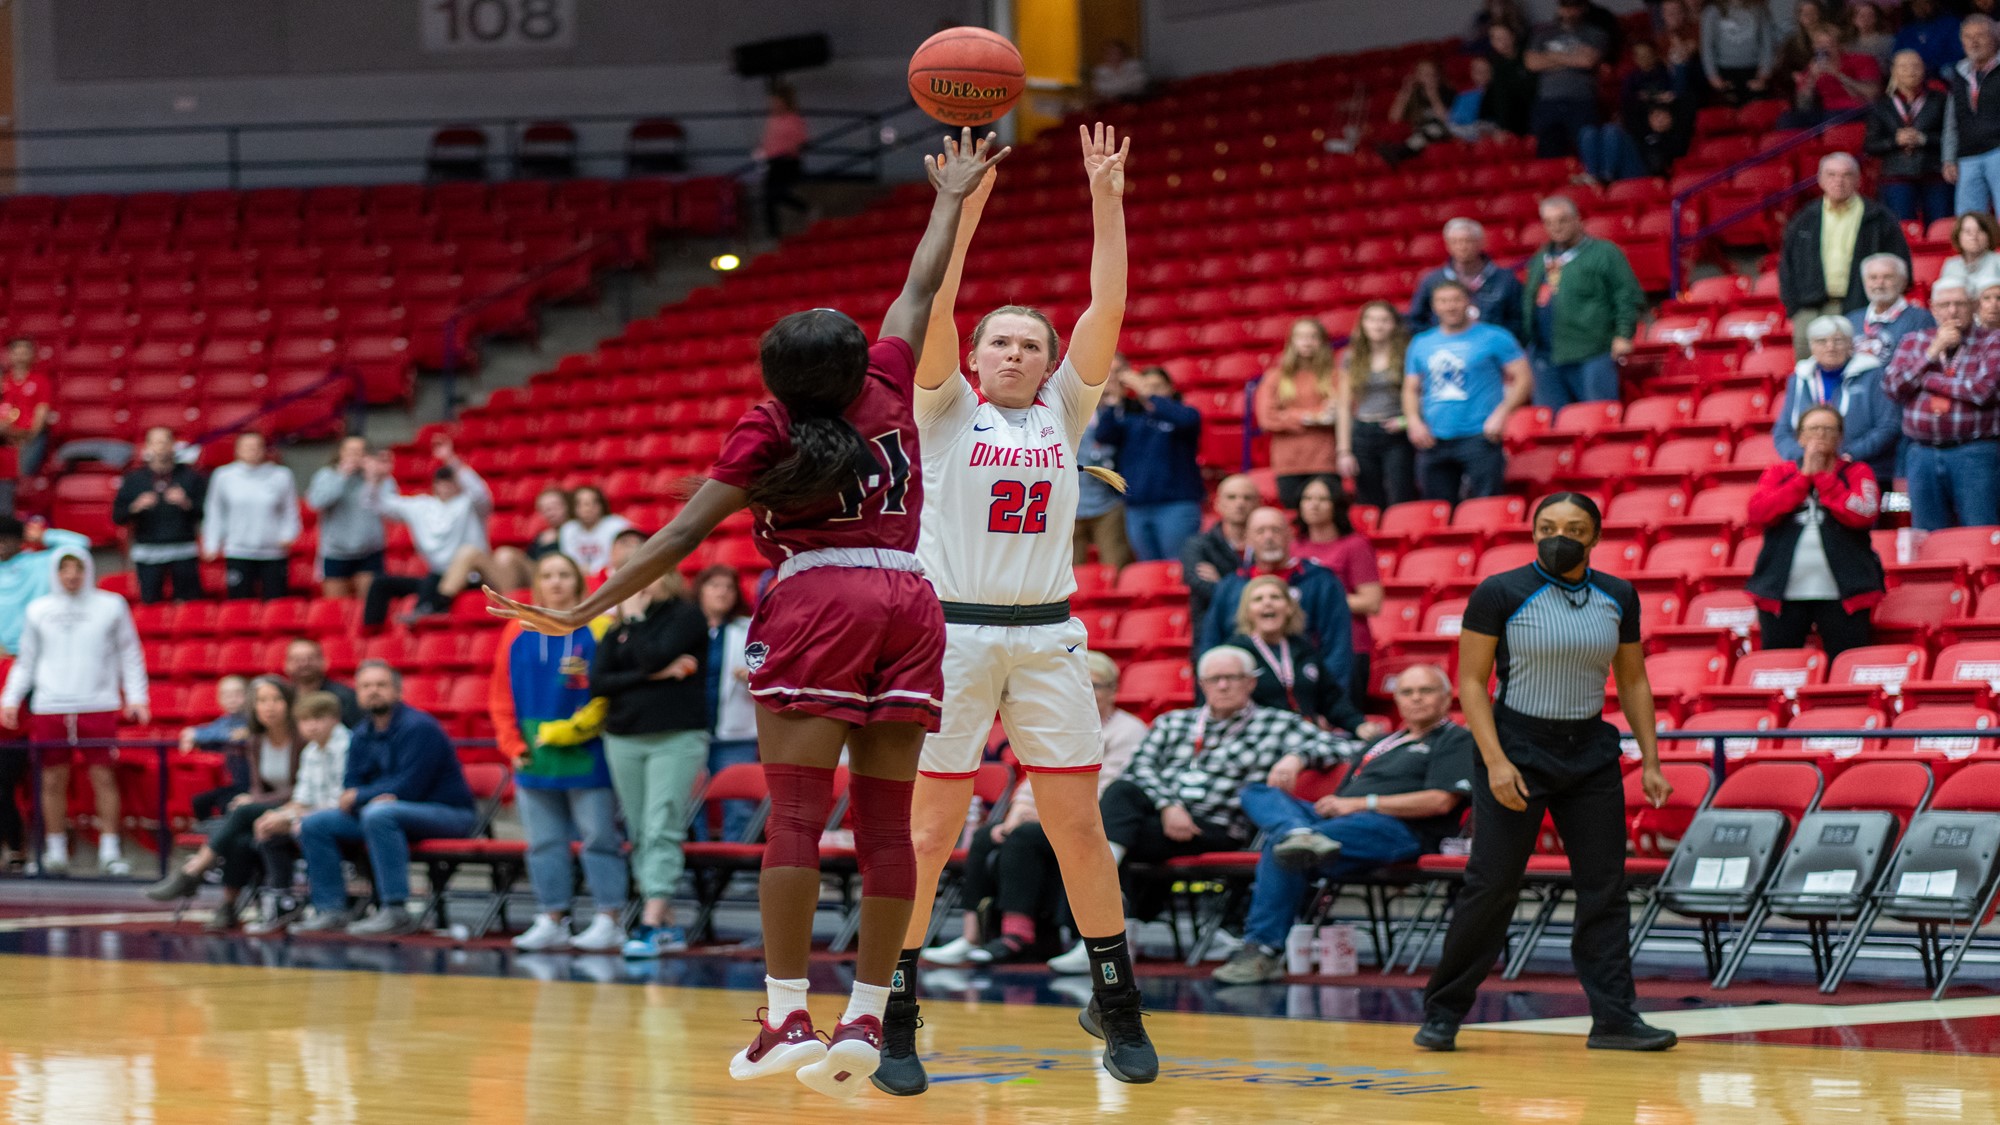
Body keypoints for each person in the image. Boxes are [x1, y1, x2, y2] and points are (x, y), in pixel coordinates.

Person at [486, 129, 1006, 1099]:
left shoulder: (766, 428)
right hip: (909, 598)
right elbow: (917, 289)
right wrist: (949, 198)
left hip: (818, 598)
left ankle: (784, 1017)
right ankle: (866, 1010)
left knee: (798, 819)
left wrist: (584, 609)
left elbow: (678, 536)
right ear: (857, 366)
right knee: (886, 825)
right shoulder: (888, 383)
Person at [881, 122, 1155, 1095]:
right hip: (947, 634)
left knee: (1075, 826)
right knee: (927, 834)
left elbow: (1106, 304)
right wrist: (964, 202)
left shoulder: (1063, 411)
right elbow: (935, 304)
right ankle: (895, 1007)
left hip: (1045, 638)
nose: (1010, 349)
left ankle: (1113, 994)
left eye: (1027, 342)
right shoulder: (942, 406)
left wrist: (1105, 199)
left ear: (1047, 363)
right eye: (999, 339)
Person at [1415, 494, 1676, 1055]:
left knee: (1604, 890)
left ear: (1596, 537)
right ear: (1533, 532)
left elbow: (1632, 681)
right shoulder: (1499, 592)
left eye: (1576, 528)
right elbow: (1471, 685)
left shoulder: (1618, 596)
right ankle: (1443, 1013)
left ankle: (1614, 1020)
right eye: (1549, 526)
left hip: (1590, 753)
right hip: (1516, 749)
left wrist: (1651, 760)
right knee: (1493, 885)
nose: (1561, 536)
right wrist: (1496, 761)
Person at [1213, 663, 1476, 985]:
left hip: (1398, 828)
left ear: (1447, 697)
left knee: (1282, 846)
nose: (1416, 698)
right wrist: (1300, 763)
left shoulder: (1456, 740)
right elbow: (1325, 747)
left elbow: (1440, 801)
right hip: (1336, 823)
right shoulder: (1381, 742)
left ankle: (1262, 949)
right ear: (1397, 700)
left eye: (1426, 690)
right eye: (1407, 692)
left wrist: (1360, 803)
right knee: (1257, 791)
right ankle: (1297, 832)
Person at [921, 651, 1148, 967]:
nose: (1086, 692)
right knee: (989, 835)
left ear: (1112, 690)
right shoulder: (1063, 726)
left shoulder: (1129, 730)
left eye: (1095, 686)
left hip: (1090, 820)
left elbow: (1107, 788)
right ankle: (971, 935)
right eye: (1080, 685)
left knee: (1025, 836)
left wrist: (1039, 815)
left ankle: (1018, 933)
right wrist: (1016, 813)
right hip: (1050, 813)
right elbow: (1033, 778)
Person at [492, 553, 629, 955]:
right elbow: (500, 695)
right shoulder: (515, 631)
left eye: (564, 575)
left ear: (579, 583)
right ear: (536, 585)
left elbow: (607, 695)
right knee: (543, 842)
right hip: (533, 755)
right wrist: (512, 745)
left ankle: (610, 919)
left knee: (599, 838)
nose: (555, 582)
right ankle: (552, 917)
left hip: (589, 753)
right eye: (547, 575)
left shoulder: (599, 629)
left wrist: (575, 730)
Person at [1100, 646, 1344, 869]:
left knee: (1100, 836)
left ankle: (1098, 892)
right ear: (1202, 685)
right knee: (1119, 794)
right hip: (1163, 815)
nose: (1223, 686)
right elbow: (1138, 767)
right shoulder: (1173, 722)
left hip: (1216, 826)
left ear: (1251, 682)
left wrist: (1297, 758)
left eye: (1233, 678)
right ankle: (1098, 894)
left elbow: (1342, 747)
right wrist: (1168, 805)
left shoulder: (1278, 723)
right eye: (1215, 679)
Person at [574, 561, 708, 959]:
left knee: (661, 821)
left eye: (647, 574)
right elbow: (599, 683)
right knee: (638, 827)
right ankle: (665, 922)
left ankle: (650, 919)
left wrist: (632, 621)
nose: (640, 585)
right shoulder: (614, 629)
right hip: (623, 736)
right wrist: (657, 675)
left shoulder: (685, 616)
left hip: (676, 734)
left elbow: (651, 655)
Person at [291, 660, 477, 937]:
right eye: (366, 686)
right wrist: (367, 796)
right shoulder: (361, 734)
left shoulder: (420, 728)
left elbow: (410, 788)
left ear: (397, 692)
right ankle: (330, 909)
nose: (373, 691)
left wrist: (364, 796)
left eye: (381, 685)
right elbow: (350, 785)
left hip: (446, 813)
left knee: (379, 814)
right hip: (385, 815)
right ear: (358, 694)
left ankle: (395, 910)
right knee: (315, 823)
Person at [0, 545, 148, 876]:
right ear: (56, 572)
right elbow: (27, 660)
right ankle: (55, 852)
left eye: (77, 568)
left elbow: (130, 653)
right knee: (51, 780)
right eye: (65, 568)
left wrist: (138, 697)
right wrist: (9, 699)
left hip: (98, 703)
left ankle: (110, 851)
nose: (71, 575)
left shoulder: (111, 605)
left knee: (103, 777)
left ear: (87, 569)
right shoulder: (38, 609)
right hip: (50, 705)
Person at [142, 676, 299, 931]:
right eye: (262, 701)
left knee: (243, 810)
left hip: (297, 808)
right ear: (254, 708)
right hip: (267, 811)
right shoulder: (257, 740)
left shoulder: (300, 737)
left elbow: (299, 790)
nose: (269, 707)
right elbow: (258, 786)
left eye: (276, 700)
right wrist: (256, 798)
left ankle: (193, 870)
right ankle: (228, 906)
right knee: (239, 838)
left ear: (289, 704)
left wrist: (256, 800)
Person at [1747, 405, 1886, 660]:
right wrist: (1803, 479)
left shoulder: (1857, 472)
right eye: (1813, 429)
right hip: (1783, 594)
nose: (1820, 435)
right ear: (1800, 437)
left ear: (1840, 437)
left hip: (1845, 594)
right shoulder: (1778, 473)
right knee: (1778, 667)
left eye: (1828, 429)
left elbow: (1864, 514)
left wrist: (1823, 478)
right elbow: (1758, 513)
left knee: (1848, 667)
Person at [1884, 277, 2000, 531]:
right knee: (1926, 536)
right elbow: (1893, 387)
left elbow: (1983, 390)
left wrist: (1927, 379)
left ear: (1973, 305)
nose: (1952, 311)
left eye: (1959, 303)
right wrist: (1932, 352)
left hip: (1975, 451)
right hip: (1922, 453)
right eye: (1944, 304)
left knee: (1980, 530)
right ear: (1932, 309)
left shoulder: (1992, 340)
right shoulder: (1914, 341)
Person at [1199, 507, 1355, 694]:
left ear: (1290, 535)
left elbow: (1338, 647)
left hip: (1304, 693)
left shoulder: (1321, 581)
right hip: (1241, 699)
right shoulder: (1230, 586)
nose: (1268, 537)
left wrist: (1330, 701)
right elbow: (1211, 644)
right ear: (1247, 539)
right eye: (1260, 531)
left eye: (1276, 530)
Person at [1405, 282, 1534, 502]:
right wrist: (1414, 422)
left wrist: (1502, 413)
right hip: (1434, 439)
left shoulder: (1495, 336)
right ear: (1434, 306)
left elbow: (1524, 378)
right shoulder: (1420, 343)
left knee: (1486, 506)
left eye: (1455, 299)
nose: (1450, 306)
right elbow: (1410, 388)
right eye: (1443, 301)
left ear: (1468, 302)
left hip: (1480, 436)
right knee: (1437, 511)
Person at [1777, 153, 1911, 360]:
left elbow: (1900, 266)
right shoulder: (1803, 219)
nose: (1838, 181)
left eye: (1847, 175)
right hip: (1809, 311)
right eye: (1831, 175)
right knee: (1809, 372)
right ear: (1820, 179)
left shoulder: (1879, 218)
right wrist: (1795, 309)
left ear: (1858, 180)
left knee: (1860, 369)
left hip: (1861, 308)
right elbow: (1786, 267)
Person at [241, 690, 350, 935]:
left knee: (310, 826)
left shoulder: (347, 747)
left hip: (346, 817)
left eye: (318, 718)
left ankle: (329, 907)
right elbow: (301, 800)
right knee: (269, 829)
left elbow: (339, 801)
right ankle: (284, 904)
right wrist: (278, 816)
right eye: (305, 720)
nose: (311, 726)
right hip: (316, 817)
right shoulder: (311, 752)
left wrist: (292, 817)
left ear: (335, 719)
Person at [1521, 196, 1644, 409]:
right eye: (1549, 222)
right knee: (1551, 424)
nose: (1556, 227)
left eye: (1562, 220)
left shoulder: (1605, 252)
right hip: (1545, 354)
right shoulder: (1541, 257)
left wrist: (1623, 334)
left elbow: (1627, 294)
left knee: (1597, 416)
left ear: (1578, 219)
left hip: (1592, 351)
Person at [360, 435, 496, 626]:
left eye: (451, 480)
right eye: (441, 481)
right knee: (381, 583)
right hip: (436, 576)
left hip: (473, 576)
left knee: (438, 576)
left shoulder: (469, 504)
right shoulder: (421, 506)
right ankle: (370, 636)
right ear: (434, 485)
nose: (446, 485)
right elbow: (377, 504)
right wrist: (373, 479)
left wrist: (451, 460)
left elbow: (480, 494)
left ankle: (430, 608)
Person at [1224, 576, 1373, 735]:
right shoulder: (1234, 654)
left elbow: (1331, 699)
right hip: (1258, 737)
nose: (1267, 603)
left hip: (1305, 735)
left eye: (1276, 597)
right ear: (1247, 612)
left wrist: (1358, 724)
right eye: (1258, 599)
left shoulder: (1303, 648)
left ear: (1289, 608)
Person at [1774, 317, 1902, 484]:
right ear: (1811, 345)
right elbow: (1782, 431)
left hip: (1864, 469)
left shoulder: (1873, 374)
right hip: (1807, 470)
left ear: (1850, 343)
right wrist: (1803, 456)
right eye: (1822, 341)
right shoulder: (1799, 378)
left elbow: (1888, 425)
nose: (1830, 347)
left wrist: (1848, 455)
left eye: (1838, 341)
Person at [1096, 364, 1204, 562]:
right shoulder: (1132, 419)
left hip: (1176, 506)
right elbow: (1104, 435)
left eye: (1158, 386)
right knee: (1149, 570)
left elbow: (1187, 421)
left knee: (1179, 566)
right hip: (1137, 508)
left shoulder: (1184, 414)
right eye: (1146, 387)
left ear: (1171, 388)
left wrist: (1147, 393)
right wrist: (1114, 401)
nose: (1150, 392)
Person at [1291, 477, 1385, 704]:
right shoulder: (1293, 546)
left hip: (1348, 645)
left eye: (1323, 499)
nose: (1313, 505)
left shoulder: (1354, 545)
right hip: (1301, 645)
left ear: (1337, 505)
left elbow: (1372, 602)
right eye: (1308, 498)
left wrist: (1319, 599)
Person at [693, 565, 758, 843]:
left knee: (739, 805)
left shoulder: (750, 629)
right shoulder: (685, 628)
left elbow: (771, 672)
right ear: (700, 591)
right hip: (692, 730)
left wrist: (753, 676)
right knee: (690, 804)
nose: (722, 592)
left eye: (729, 587)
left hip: (736, 733)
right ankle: (697, 874)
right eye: (714, 585)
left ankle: (738, 878)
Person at [201, 431, 299, 600]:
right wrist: (212, 543)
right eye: (247, 447)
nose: (252, 451)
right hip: (238, 550)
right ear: (237, 450)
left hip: (273, 552)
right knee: (240, 604)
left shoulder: (281, 475)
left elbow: (290, 511)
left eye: (257, 447)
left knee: (275, 604)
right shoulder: (223, 476)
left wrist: (288, 534)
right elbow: (215, 511)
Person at [113, 426, 206, 604]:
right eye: (155, 442)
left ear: (173, 445)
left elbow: (205, 514)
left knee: (190, 606)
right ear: (147, 447)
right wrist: (135, 507)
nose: (160, 447)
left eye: (165, 442)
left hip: (183, 549)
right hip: (148, 551)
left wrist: (186, 503)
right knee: (150, 603)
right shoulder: (134, 479)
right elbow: (118, 516)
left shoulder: (191, 477)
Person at [1341, 302, 1420, 510]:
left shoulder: (1407, 354)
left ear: (1394, 324)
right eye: (1372, 320)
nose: (1378, 325)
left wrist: (1406, 420)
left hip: (1395, 431)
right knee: (1368, 499)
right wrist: (1343, 450)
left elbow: (1420, 393)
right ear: (1363, 325)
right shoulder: (1351, 357)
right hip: (1363, 431)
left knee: (1401, 495)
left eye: (1384, 320)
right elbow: (1344, 406)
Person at [1256, 318, 1342, 509]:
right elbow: (1266, 419)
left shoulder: (1335, 376)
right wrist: (1310, 417)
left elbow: (1338, 413)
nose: (1307, 342)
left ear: (1322, 342)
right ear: (1291, 342)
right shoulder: (1274, 377)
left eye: (1313, 337)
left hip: (1325, 460)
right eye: (1301, 337)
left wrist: (1287, 414)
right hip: (1288, 463)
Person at [1579, 42, 1691, 184]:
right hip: (1628, 161)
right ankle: (1594, 175)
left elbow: (1683, 100)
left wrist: (1679, 67)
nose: (1659, 119)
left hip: (1644, 172)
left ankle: (1606, 177)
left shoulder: (1677, 134)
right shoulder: (1639, 125)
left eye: (1662, 115)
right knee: (1589, 131)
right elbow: (1628, 105)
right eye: (1655, 116)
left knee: (1612, 131)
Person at [1868, 50, 1955, 226]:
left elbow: (1953, 137)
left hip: (1934, 173)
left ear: (1924, 69)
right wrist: (1895, 141)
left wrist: (1923, 139)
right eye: (1904, 66)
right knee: (1901, 229)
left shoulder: (1940, 100)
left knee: (1941, 226)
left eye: (1915, 66)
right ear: (1893, 71)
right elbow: (1870, 145)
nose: (1910, 71)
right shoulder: (1881, 105)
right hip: (1896, 176)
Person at [1408, 219, 1526, 342]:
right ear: (1447, 245)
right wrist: (1436, 342)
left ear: (1481, 243)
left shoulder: (1505, 279)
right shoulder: (1431, 280)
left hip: (1493, 351)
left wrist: (1497, 342)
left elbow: (1519, 321)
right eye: (1456, 242)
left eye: (1468, 241)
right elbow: (1416, 320)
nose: (1462, 247)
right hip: (1446, 352)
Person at [1525, 0, 1611, 159]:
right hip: (1548, 101)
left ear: (1582, 8)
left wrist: (1550, 56)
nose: (1569, 12)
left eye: (1573, 7)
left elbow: (1588, 61)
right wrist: (1572, 58)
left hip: (1581, 100)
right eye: (1565, 7)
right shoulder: (1543, 33)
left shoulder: (1595, 34)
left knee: (1587, 148)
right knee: (1548, 151)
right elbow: (1532, 63)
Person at [305, 435, 386, 602]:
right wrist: (342, 476)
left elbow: (387, 505)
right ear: (341, 453)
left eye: (360, 451)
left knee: (369, 605)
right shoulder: (327, 475)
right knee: (337, 607)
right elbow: (317, 502)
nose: (355, 456)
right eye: (351, 451)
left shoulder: (377, 477)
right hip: (336, 552)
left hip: (369, 552)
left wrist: (373, 479)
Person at [1074, 357, 1133, 570]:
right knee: (1071, 573)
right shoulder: (1071, 407)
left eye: (1117, 372)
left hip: (1110, 503)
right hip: (1072, 503)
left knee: (1115, 566)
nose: (1111, 379)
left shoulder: (1133, 410)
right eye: (1106, 373)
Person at [0, 516, 86, 658]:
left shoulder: (40, 563)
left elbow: (80, 546)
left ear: (19, 540)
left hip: (41, 648)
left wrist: (45, 536)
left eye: (4, 539)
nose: (0, 544)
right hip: (3, 653)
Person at [1184, 473, 1261, 628]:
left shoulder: (1268, 545)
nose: (1240, 503)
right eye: (1231, 497)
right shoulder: (1198, 546)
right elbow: (1202, 587)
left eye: (1247, 498)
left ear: (1258, 503)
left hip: (1264, 632)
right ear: (1217, 504)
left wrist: (1222, 583)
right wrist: (1257, 594)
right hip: (1214, 633)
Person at [1945, 15, 2000, 215]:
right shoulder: (1958, 73)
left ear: (1995, 38)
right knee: (1969, 221)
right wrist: (1948, 158)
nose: (1973, 41)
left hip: (1998, 151)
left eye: (1980, 36)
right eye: (1968, 37)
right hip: (1968, 156)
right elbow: (1951, 121)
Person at [1781, 22, 1884, 128]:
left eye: (1828, 44)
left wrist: (1838, 75)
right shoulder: (1813, 67)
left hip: (1857, 111)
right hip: (1827, 112)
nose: (1824, 49)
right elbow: (1803, 106)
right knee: (1787, 120)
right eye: (1819, 45)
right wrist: (1811, 79)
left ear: (1839, 45)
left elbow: (1872, 93)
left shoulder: (1863, 60)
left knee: (1831, 120)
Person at [1848, 252, 1936, 363]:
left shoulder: (1921, 319)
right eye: (1873, 278)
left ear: (1903, 282)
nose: (1879, 283)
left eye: (1887, 277)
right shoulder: (1851, 319)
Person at [0, 337, 53, 514]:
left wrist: (20, 436)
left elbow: (39, 421)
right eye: (17, 351)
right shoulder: (4, 383)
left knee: (18, 464)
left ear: (33, 355)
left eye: (25, 351)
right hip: (4, 440)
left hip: (30, 440)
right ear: (9, 354)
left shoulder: (40, 382)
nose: (21, 355)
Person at [1378, 59, 1459, 167]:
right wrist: (1405, 93)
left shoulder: (1448, 92)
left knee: (1432, 130)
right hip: (1418, 133)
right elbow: (1394, 118)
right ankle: (1401, 151)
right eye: (1423, 74)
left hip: (1443, 131)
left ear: (1438, 75)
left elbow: (1447, 119)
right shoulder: (1414, 95)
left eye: (1431, 74)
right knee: (1421, 134)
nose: (1428, 78)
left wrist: (1433, 96)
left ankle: (1400, 153)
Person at [756, 84, 811, 239]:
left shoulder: (794, 120)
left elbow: (802, 142)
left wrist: (790, 149)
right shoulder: (771, 121)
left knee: (777, 194)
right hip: (773, 162)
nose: (773, 105)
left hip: (787, 162)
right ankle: (773, 234)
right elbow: (767, 141)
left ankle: (805, 208)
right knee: (767, 198)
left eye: (776, 102)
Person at [284, 638, 364, 729]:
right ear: (286, 665)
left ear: (324, 661)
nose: (304, 663)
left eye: (310, 658)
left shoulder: (344, 697)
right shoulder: (283, 699)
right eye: (297, 659)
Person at [557, 485, 632, 582]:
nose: (587, 508)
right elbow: (569, 562)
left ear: (601, 505)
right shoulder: (568, 529)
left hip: (613, 579)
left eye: (593, 503)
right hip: (579, 580)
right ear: (574, 507)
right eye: (581, 504)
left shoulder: (617, 526)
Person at [1481, 24, 1537, 137]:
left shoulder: (1530, 55)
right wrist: (1503, 127)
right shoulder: (1498, 66)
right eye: (1496, 39)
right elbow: (1501, 99)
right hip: (1513, 119)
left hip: (1534, 110)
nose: (1502, 42)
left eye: (1504, 37)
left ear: (1513, 36)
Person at [1896, 0, 1963, 78]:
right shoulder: (1907, 31)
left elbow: (1957, 53)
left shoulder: (1950, 24)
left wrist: (1932, 66)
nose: (1921, 7)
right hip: (1913, 72)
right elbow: (1898, 55)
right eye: (1916, 4)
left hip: (1941, 72)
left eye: (1924, 3)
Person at [1943, 212, 2000, 283]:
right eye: (1968, 232)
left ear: (1989, 236)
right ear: (1958, 237)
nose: (1974, 236)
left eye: (1980, 231)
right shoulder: (1951, 265)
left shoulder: (1997, 261)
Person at [1849, 2, 1896, 71]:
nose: (1865, 19)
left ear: (1875, 19)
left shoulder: (1888, 41)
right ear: (1853, 19)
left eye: (1869, 15)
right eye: (1861, 15)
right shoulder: (1848, 43)